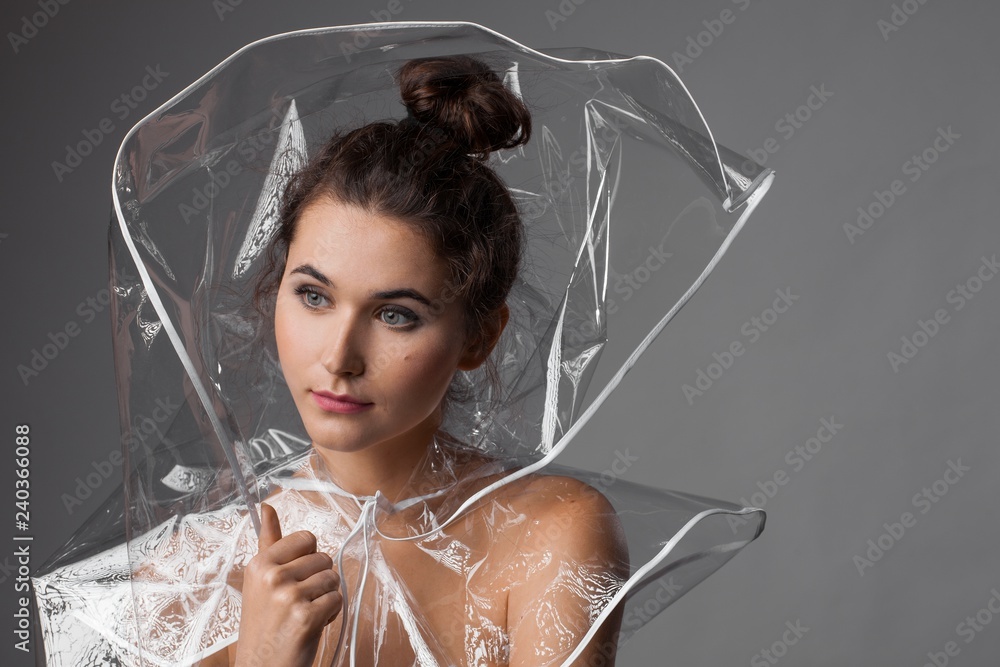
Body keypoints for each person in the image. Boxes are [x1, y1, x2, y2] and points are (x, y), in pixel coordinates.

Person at [200, 54, 630, 667]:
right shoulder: (196, 568)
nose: (339, 357)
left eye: (395, 314)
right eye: (314, 296)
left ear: (479, 337)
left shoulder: (550, 532)